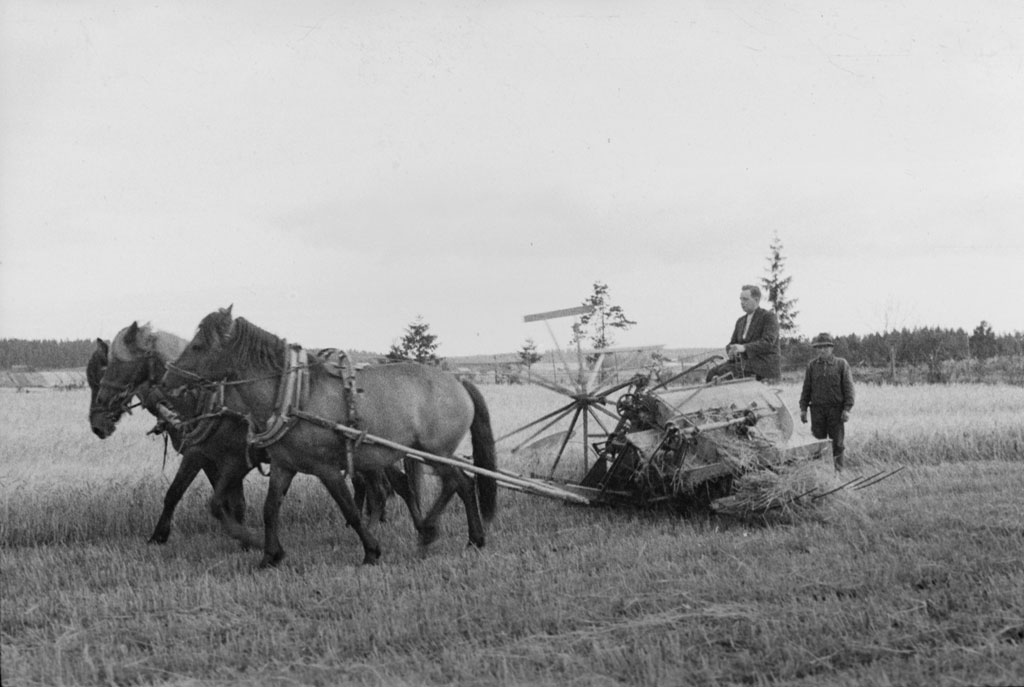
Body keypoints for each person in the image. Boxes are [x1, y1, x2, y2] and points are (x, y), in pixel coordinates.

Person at [799, 332, 855, 471]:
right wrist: (803, 408)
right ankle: (820, 473)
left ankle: (838, 473)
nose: (822, 350)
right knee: (818, 444)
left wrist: (847, 409)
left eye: (825, 347)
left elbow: (849, 388)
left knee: (837, 443)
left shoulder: (841, 364)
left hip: (836, 411)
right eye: (819, 348)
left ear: (831, 348)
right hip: (817, 411)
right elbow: (806, 389)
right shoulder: (812, 366)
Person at [705, 284, 781, 383]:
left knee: (724, 372)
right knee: (712, 373)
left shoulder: (768, 317)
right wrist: (731, 351)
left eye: (745, 299)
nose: (742, 303)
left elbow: (768, 342)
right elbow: (732, 343)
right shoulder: (740, 321)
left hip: (764, 363)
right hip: (744, 363)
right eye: (741, 299)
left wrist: (744, 347)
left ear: (757, 300)